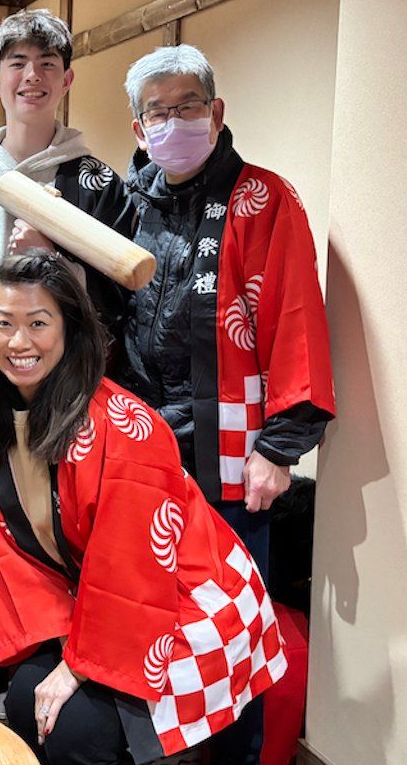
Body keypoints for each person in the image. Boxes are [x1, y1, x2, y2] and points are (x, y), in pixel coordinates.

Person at [0, 252, 286, 765]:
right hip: (96, 599)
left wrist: (76, 666)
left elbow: (133, 567)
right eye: (4, 324)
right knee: (26, 697)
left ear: (71, 332)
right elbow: (15, 563)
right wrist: (65, 653)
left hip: (189, 600)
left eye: (38, 324)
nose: (19, 342)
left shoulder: (127, 428)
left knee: (77, 733)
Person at [119, 45, 335, 763]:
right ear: (138, 123)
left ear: (216, 112)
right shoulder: (130, 202)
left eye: (187, 106)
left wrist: (280, 448)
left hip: (233, 460)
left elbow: (295, 319)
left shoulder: (264, 199)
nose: (173, 120)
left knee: (234, 630)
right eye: (158, 110)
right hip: (144, 457)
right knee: (151, 624)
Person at [0, 9, 134, 338]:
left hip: (66, 369)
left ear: (66, 81)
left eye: (47, 63)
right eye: (18, 62)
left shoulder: (100, 184)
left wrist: (52, 260)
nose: (32, 75)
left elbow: (117, 298)